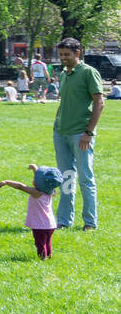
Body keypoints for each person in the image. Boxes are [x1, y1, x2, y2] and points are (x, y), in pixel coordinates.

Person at [51, 38, 104, 231]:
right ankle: (64, 221)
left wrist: (89, 132)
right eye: (62, 54)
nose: (64, 58)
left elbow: (99, 102)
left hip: (81, 134)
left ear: (77, 53)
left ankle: (90, 222)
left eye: (67, 54)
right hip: (61, 133)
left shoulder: (89, 72)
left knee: (85, 178)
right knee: (65, 177)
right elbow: (64, 101)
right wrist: (57, 123)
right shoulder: (64, 74)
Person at [0, 164, 64, 259]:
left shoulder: (36, 193)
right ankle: (49, 256)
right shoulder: (50, 191)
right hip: (50, 224)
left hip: (40, 225)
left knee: (40, 243)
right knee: (47, 241)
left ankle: (42, 259)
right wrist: (34, 168)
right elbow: (42, 180)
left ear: (38, 183)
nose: (34, 179)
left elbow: (20, 186)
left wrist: (6, 182)